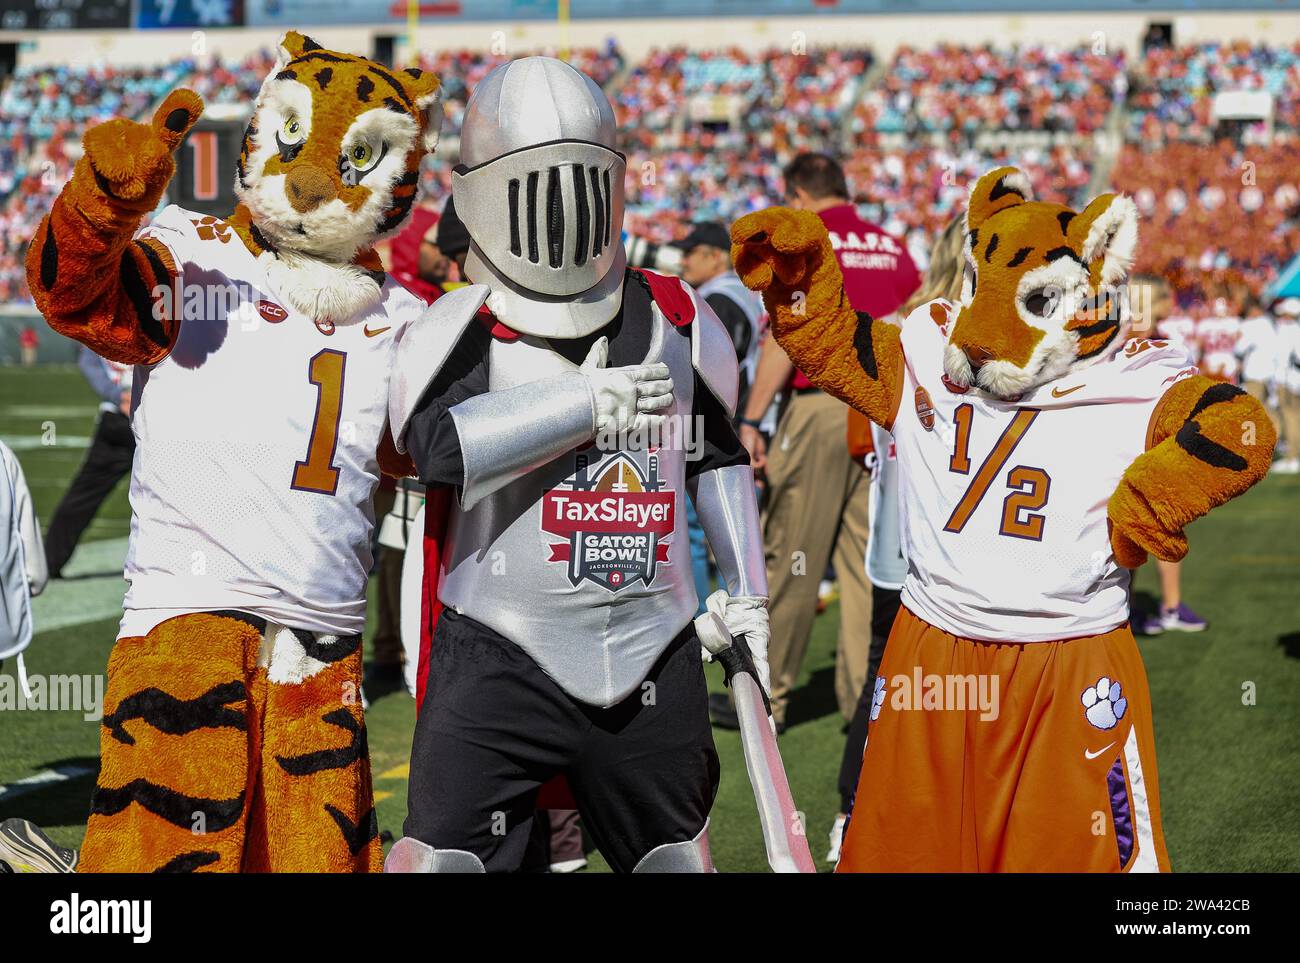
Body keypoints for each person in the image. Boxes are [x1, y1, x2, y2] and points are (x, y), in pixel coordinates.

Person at [737, 166, 1274, 871]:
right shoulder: (931, 343)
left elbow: (1241, 428)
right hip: (932, 648)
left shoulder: (1133, 373)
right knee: (909, 852)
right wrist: (799, 279)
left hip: (1068, 656)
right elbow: (833, 341)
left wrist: (1154, 492)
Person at [23, 33, 443, 872]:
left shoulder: (401, 314)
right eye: (295, 140)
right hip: (188, 618)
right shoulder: (194, 246)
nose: (315, 178)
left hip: (322, 641)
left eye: (356, 158)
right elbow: (73, 297)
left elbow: (427, 453)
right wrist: (101, 207)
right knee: (161, 859)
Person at [385, 57, 771, 873]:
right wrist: (583, 404)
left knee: (674, 859)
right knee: (442, 862)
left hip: (654, 641)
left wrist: (750, 594)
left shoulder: (678, 314)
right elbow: (437, 449)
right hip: (498, 641)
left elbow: (718, 457)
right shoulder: (461, 325)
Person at [727, 152, 919, 732]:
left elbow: (785, 340)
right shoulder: (894, 248)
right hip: (885, 413)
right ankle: (865, 701)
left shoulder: (804, 242)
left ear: (799, 196)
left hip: (819, 410)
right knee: (867, 565)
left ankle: (770, 698)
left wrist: (753, 419)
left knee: (791, 553)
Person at [827, 215, 963, 863]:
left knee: (889, 684)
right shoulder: (1009, 341)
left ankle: (854, 815)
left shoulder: (891, 331)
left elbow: (862, 444)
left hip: (897, 541)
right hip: (962, 552)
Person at [674, 220, 766, 611]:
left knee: (695, 529)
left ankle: (695, 617)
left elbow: (707, 372)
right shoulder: (740, 293)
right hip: (741, 423)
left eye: (690, 252)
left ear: (714, 256)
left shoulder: (720, 298)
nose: (682, 261)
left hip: (719, 428)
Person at [43, 346, 134, 578]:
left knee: (82, 497)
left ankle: (47, 564)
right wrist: (119, 395)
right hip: (131, 418)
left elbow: (88, 362)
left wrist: (116, 394)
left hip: (120, 416)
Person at [1273, 298, 1300, 473]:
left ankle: (1293, 458)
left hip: (1289, 380)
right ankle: (1293, 456)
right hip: (1292, 379)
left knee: (1291, 419)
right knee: (1293, 418)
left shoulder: (1290, 330)